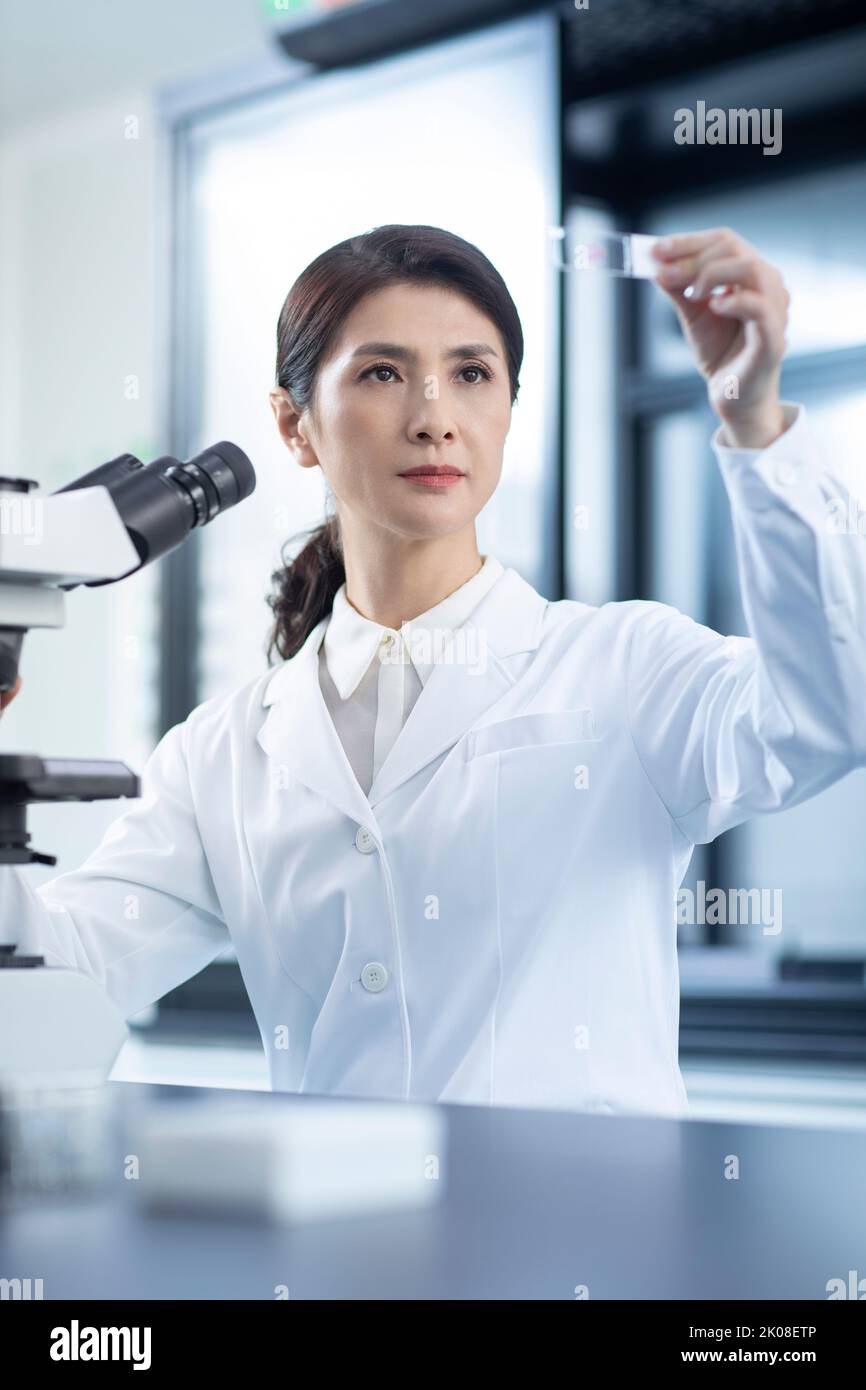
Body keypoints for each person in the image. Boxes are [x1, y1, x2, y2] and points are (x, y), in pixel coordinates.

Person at [3, 224, 864, 1116]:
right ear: (293, 425)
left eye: (472, 373)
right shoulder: (221, 753)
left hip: (593, 1241)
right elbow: (66, 970)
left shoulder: (626, 667)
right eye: (382, 372)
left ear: (507, 411)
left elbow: (827, 715)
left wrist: (755, 421)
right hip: (340, 1234)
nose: (433, 415)